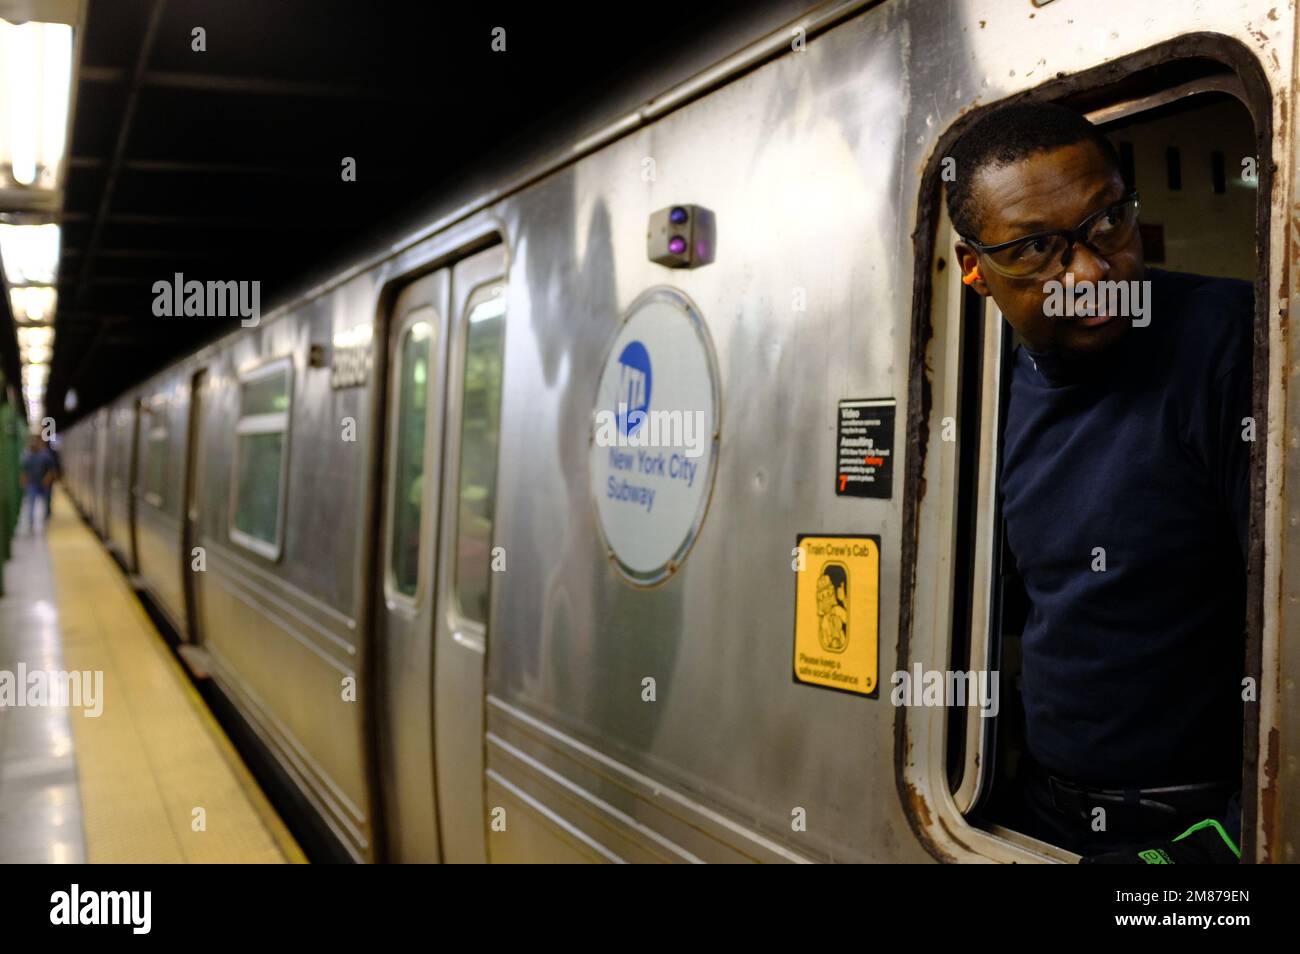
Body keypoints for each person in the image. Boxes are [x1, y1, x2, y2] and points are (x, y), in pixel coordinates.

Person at [947, 103, 1250, 862]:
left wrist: (1237, 845)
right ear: (974, 270)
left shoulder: (1230, 345)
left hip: (1199, 826)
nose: (1089, 272)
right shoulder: (984, 392)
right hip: (1042, 807)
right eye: (1038, 249)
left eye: (1108, 222)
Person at [18, 435, 58, 533]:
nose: (33, 444)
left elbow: (52, 470)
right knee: (31, 503)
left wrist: (47, 480)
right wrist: (23, 481)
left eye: (35, 442)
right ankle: (31, 523)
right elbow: (24, 471)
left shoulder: (46, 455)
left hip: (44, 484)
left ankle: (46, 520)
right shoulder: (27, 456)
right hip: (32, 483)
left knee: (46, 503)